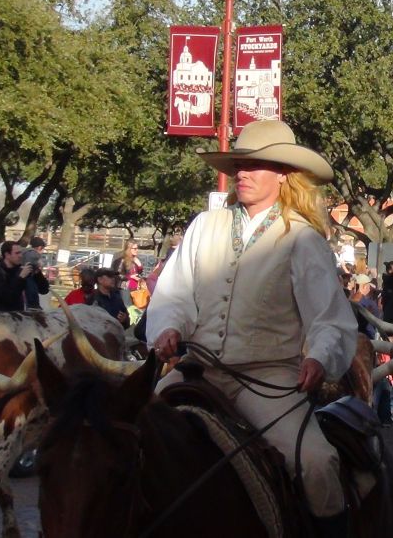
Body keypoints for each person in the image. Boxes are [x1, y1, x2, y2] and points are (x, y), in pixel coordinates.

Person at [147, 119, 356, 536]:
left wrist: (318, 356)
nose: (241, 172)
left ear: (283, 175)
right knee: (132, 434)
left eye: (255, 165)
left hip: (266, 379)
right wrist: (168, 327)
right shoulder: (205, 226)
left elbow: (329, 318)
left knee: (316, 463)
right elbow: (174, 294)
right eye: (239, 164)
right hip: (198, 372)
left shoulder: (302, 239)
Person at [0, 240, 50, 313]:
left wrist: (37, 273)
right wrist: (20, 278)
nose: (20, 256)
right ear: (7, 255)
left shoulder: (22, 269)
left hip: (20, 317)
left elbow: (44, 290)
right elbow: (8, 298)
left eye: (21, 253)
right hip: (0, 318)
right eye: (17, 253)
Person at [21, 236, 47, 309]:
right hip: (28, 275)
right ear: (39, 247)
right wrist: (39, 264)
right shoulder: (33, 253)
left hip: (22, 275)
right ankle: (33, 306)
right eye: (43, 249)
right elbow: (34, 263)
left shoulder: (24, 251)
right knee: (32, 289)